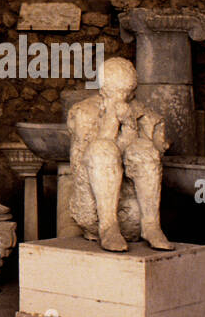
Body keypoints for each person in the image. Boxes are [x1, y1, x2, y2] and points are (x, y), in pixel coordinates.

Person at [67, 57, 173, 252]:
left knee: (144, 149)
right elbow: (84, 156)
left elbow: (154, 154)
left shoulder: (146, 115)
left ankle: (150, 225)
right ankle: (108, 226)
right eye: (116, 92)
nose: (121, 98)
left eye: (126, 93)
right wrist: (113, 121)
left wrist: (131, 126)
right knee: (102, 150)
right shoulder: (83, 112)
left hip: (132, 199)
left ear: (133, 92)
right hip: (93, 194)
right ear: (103, 90)